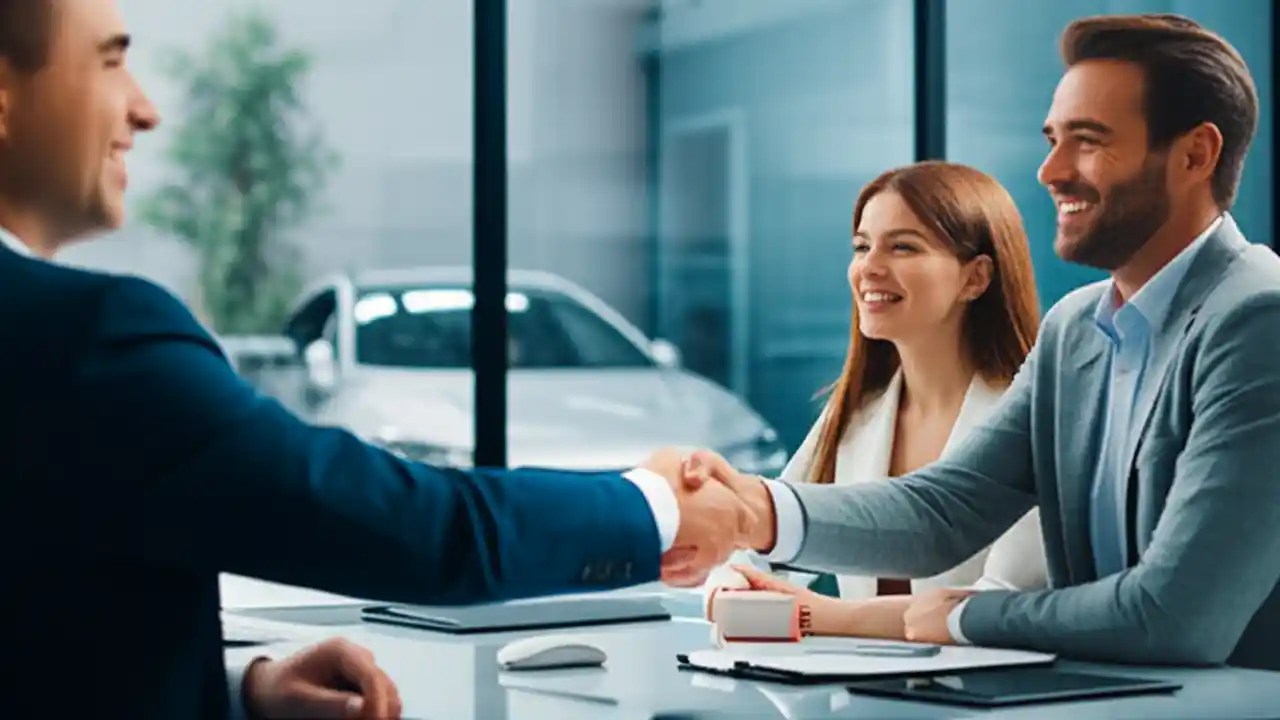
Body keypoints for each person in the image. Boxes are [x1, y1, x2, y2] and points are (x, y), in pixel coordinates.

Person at [0, 1, 753, 717]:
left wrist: (239, 690)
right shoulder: (92, 339)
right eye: (108, 64)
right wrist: (655, 507)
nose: (144, 110)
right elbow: (421, 527)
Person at [693, 13, 1280, 670]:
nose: (1050, 171)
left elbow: (1176, 618)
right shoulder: (1075, 330)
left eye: (1087, 142)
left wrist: (955, 615)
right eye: (1052, 139)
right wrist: (754, 510)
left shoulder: (1260, 317)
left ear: (1195, 154)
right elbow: (944, 510)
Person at [705, 161, 1048, 640]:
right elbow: (754, 554)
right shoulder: (855, 413)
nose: (869, 267)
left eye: (903, 246)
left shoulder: (1032, 418)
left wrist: (815, 616)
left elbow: (1000, 604)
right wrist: (728, 591)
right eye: (862, 246)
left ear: (976, 278)